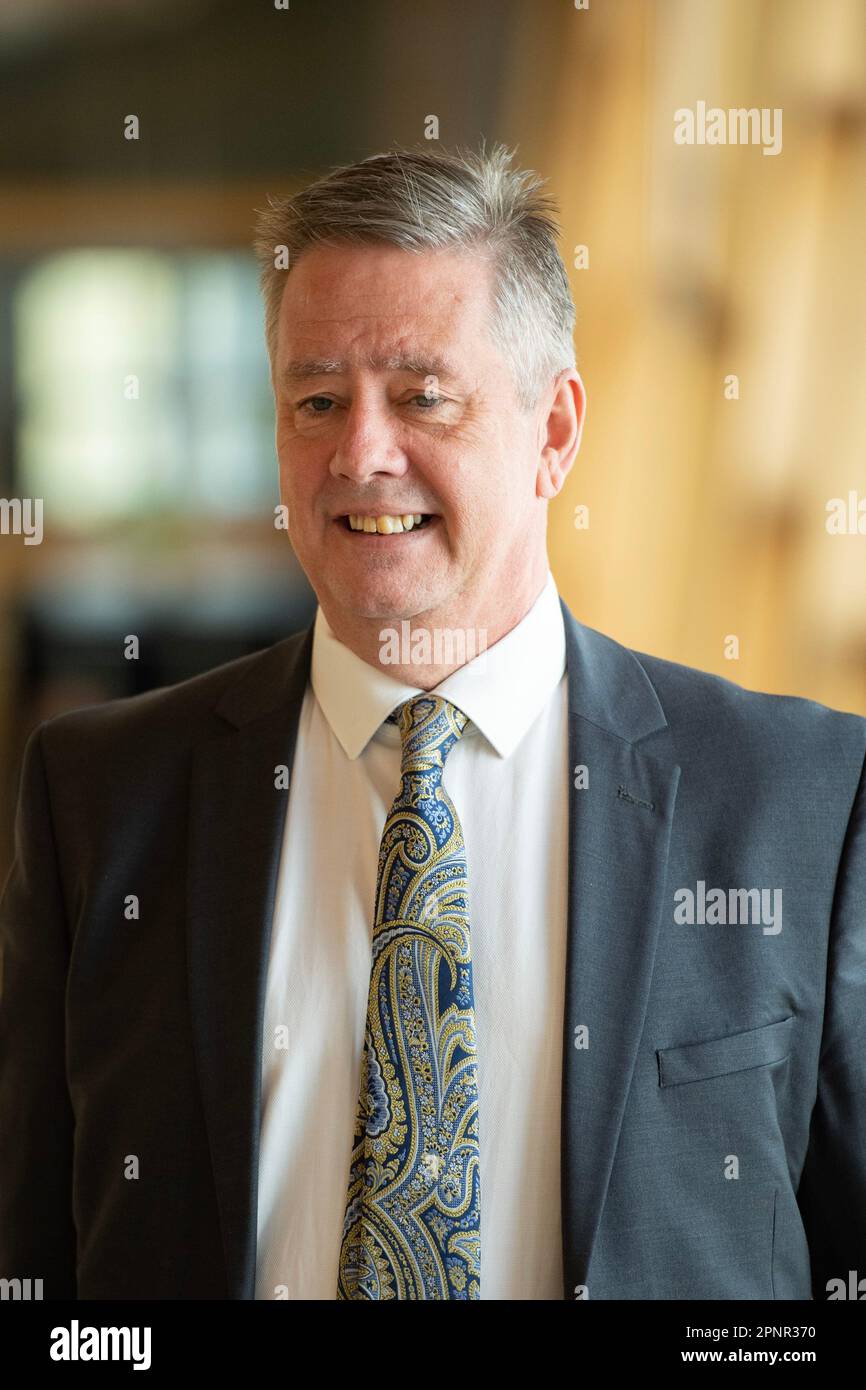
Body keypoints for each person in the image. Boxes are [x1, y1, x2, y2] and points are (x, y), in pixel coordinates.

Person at [0, 143, 864, 1301]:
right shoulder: (99, 794)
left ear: (553, 432)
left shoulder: (797, 792)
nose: (360, 453)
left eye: (422, 397)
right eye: (316, 401)